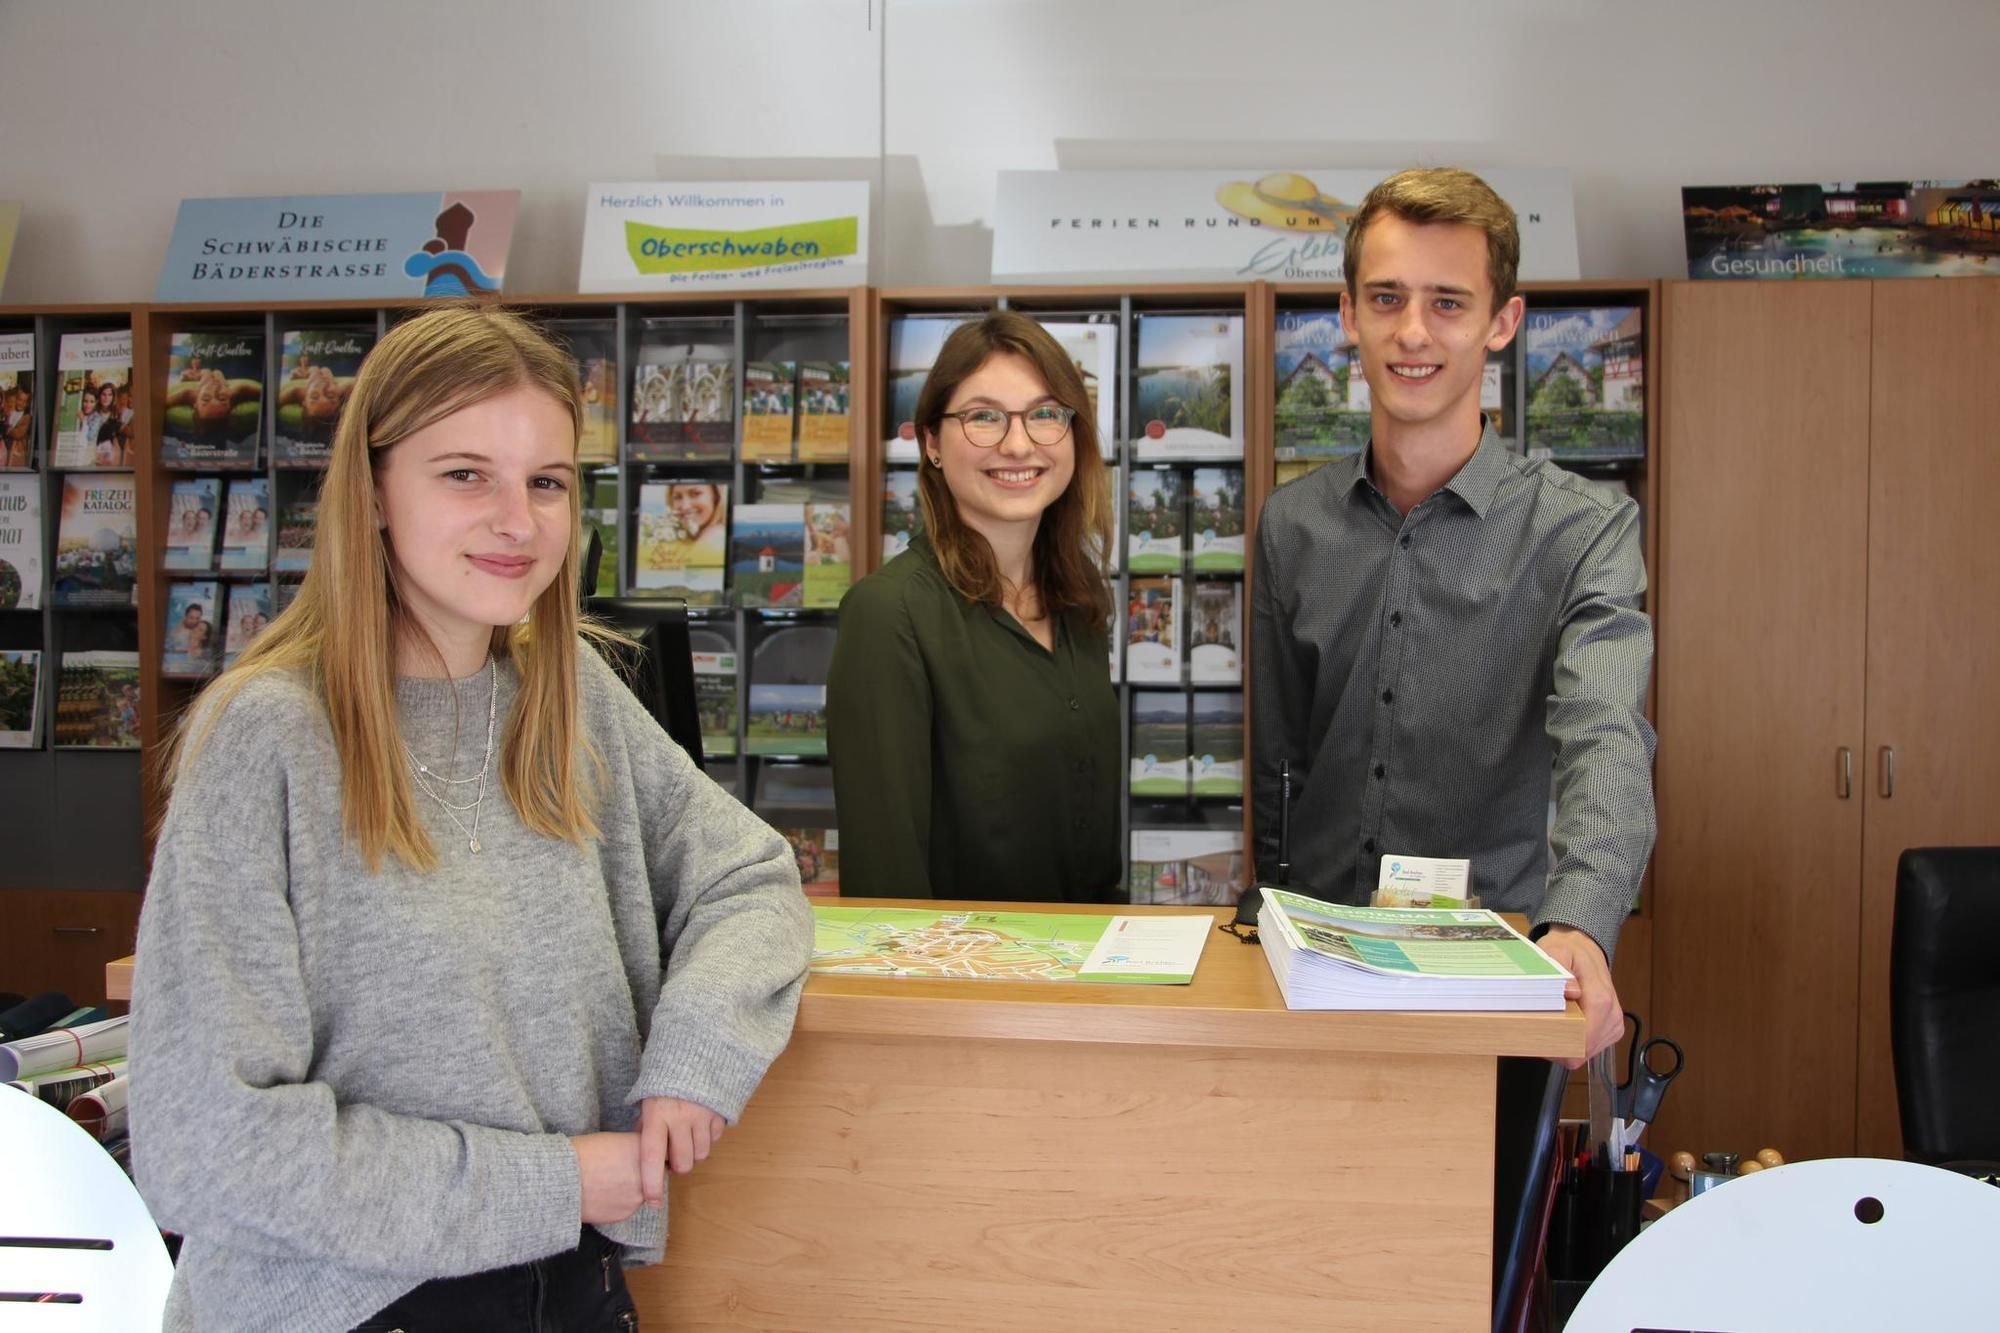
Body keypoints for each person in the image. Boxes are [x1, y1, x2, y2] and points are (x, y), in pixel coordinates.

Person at [128, 304, 815, 1332]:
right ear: (370, 492)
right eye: (464, 475)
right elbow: (209, 1146)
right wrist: (554, 1183)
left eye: (544, 481)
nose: (518, 519)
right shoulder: (267, 736)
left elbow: (747, 876)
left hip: (569, 1282)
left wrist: (697, 1054)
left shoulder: (566, 691)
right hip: (353, 1303)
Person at [1250, 168, 1656, 1064]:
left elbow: (1608, 738)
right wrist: (1264, 909)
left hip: (1498, 982)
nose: (1412, 332)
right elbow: (1281, 762)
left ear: (1502, 323)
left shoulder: (1582, 530)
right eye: (1387, 298)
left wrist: (1582, 924)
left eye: (1448, 302)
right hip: (1311, 978)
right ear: (1348, 313)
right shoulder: (1291, 525)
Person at [827, 311, 1118, 901]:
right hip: (965, 983)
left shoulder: (1078, 598)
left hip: (1083, 977)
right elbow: (886, 885)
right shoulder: (889, 617)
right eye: (984, 416)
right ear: (932, 442)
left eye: (1044, 414)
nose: (1019, 443)